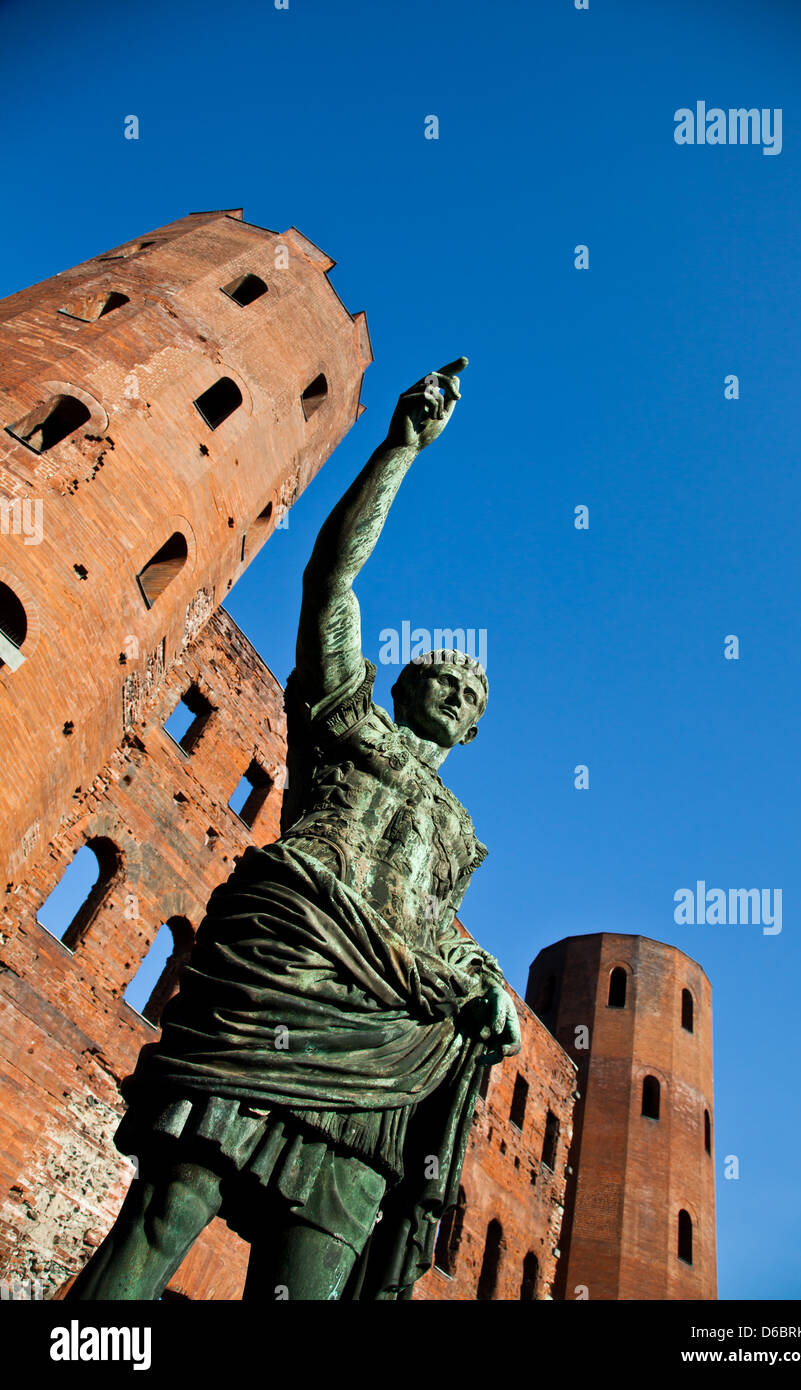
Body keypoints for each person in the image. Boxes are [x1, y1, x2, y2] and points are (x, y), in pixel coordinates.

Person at [67, 357, 520, 1301]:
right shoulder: (343, 717)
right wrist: (401, 449)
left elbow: (437, 929)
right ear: (404, 686)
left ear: (473, 727)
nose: (457, 687)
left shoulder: (460, 828)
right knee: (166, 1213)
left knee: (310, 1281)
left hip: (386, 1041)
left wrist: (485, 990)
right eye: (443, 674)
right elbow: (331, 578)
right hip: (288, 972)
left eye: (471, 692)